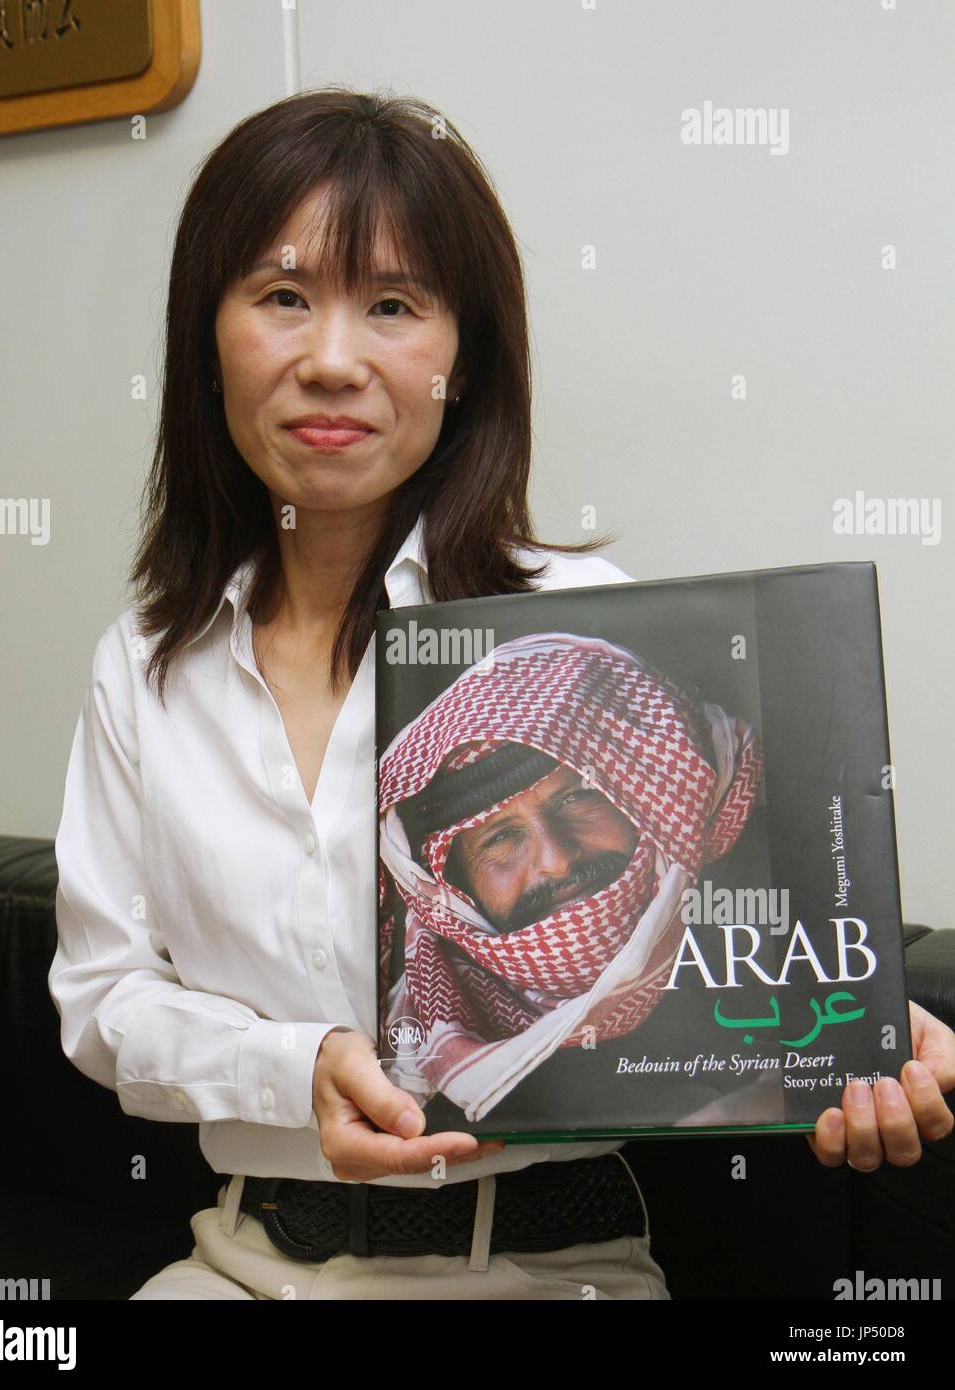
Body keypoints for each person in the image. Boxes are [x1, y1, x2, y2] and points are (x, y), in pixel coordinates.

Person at [48, 88, 955, 1302]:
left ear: (463, 355)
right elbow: (101, 998)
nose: (330, 360)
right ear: (205, 334)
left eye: (392, 305)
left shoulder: (589, 634)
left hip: (551, 1264)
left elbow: (759, 933)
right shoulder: (147, 663)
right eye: (280, 297)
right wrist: (293, 1066)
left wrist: (864, 1038)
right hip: (246, 1265)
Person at [376, 632, 765, 1122]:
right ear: (453, 891)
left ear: (641, 791)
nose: (556, 861)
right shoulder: (416, 1039)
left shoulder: (767, 896)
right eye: (499, 837)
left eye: (576, 798)